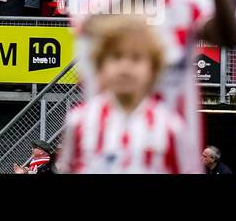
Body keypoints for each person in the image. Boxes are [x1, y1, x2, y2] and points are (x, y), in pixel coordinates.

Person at [63, 0, 236, 169]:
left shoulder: (187, 1)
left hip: (178, 154)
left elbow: (229, 36)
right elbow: (101, 24)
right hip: (108, 151)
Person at [59, 16, 197, 174]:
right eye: (116, 56)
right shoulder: (78, 120)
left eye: (136, 58)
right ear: (100, 65)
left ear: (153, 69)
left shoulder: (171, 127)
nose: (125, 67)